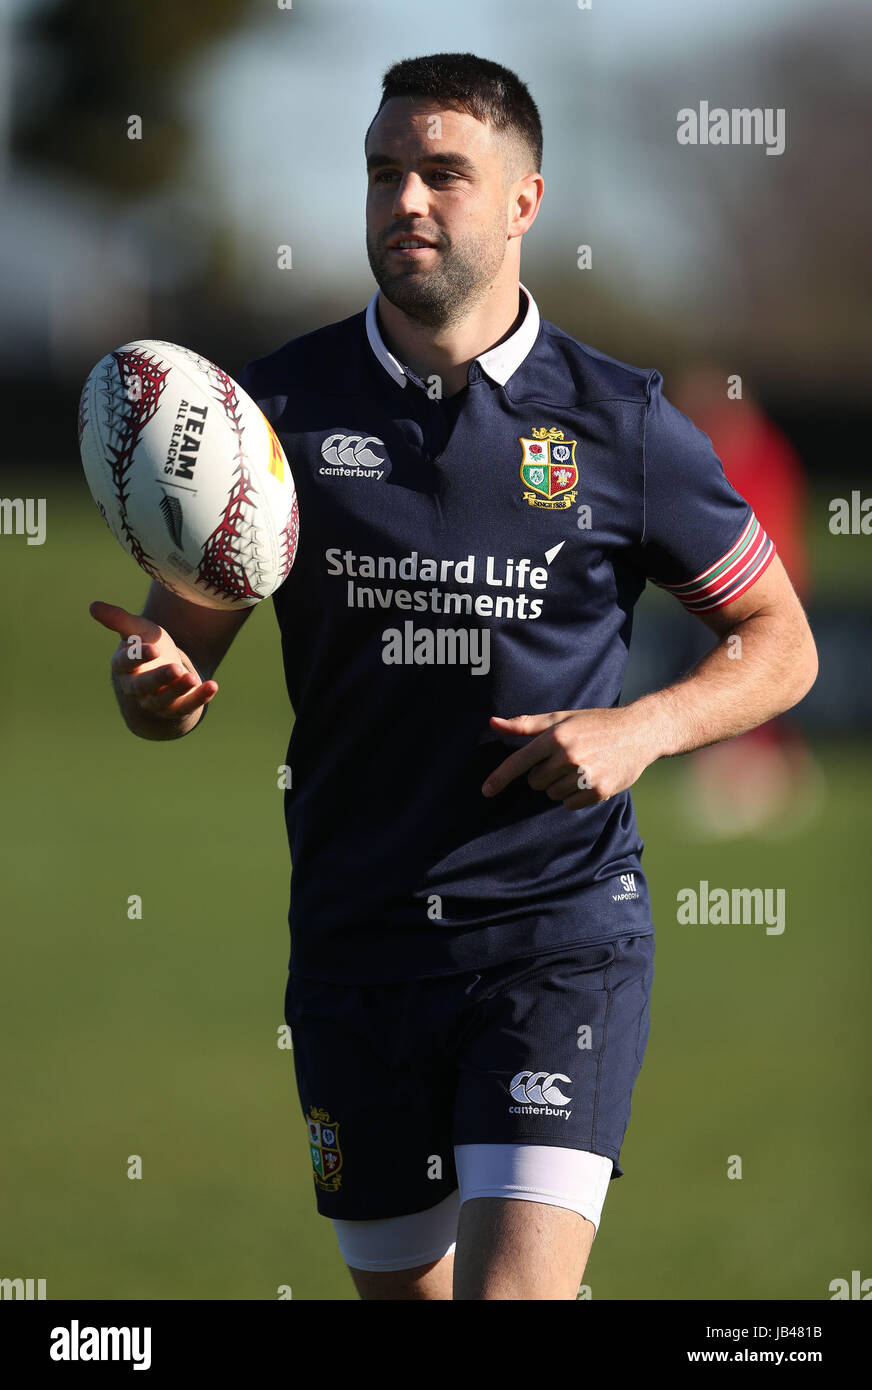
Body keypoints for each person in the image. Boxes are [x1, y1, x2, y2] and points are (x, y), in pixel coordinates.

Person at [90, 52, 818, 1300]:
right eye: (384, 173)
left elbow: (780, 644)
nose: (405, 201)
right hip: (353, 940)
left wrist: (638, 728)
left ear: (524, 202)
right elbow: (169, 663)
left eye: (442, 173)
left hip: (557, 933)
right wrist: (147, 686)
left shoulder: (623, 424)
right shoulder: (274, 413)